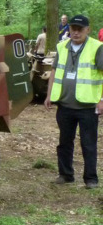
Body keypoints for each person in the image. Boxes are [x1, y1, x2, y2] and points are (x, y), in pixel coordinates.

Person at [44, 14, 103, 189]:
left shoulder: (97, 47)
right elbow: (54, 71)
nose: (76, 32)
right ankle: (65, 174)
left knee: (88, 143)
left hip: (88, 106)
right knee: (64, 142)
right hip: (65, 105)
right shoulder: (62, 47)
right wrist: (49, 95)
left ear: (87, 30)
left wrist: (101, 100)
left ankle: (91, 179)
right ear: (69, 29)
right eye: (73, 29)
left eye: (80, 29)